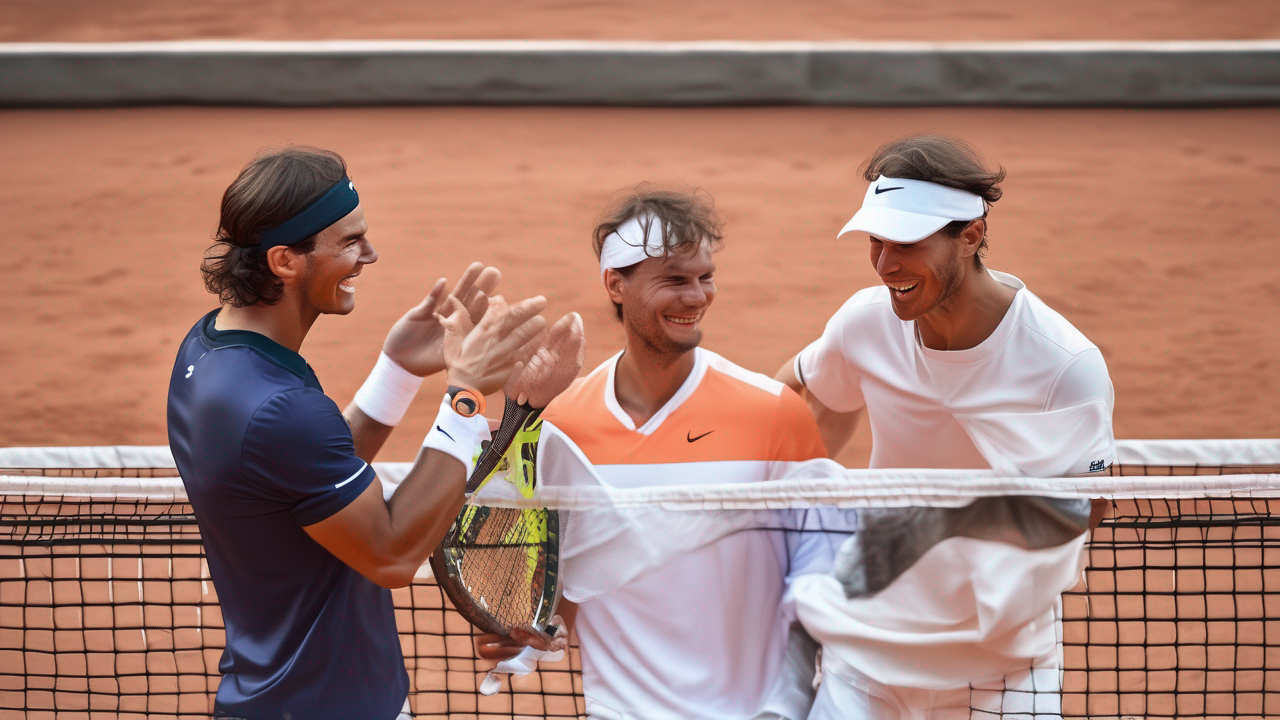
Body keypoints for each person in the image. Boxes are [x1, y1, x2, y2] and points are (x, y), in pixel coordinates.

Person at [166, 145, 548, 720]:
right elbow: (392, 556)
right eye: (348, 242)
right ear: (285, 261)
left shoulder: (210, 351)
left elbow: (307, 475)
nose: (370, 254)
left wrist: (395, 371)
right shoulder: (281, 409)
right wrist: (463, 402)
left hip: (278, 698)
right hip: (332, 704)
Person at [774, 134, 1116, 719]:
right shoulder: (866, 324)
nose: (885, 265)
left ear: (972, 236)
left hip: (1001, 663)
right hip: (869, 647)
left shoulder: (1062, 364)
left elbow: (1086, 508)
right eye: (876, 242)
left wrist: (939, 526)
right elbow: (798, 396)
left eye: (906, 243)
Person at [475, 186, 828, 720]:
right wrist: (534, 628)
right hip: (621, 710)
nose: (697, 297)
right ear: (615, 284)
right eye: (675, 280)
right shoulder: (559, 425)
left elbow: (819, 560)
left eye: (705, 277)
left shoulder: (774, 412)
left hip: (760, 710)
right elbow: (565, 575)